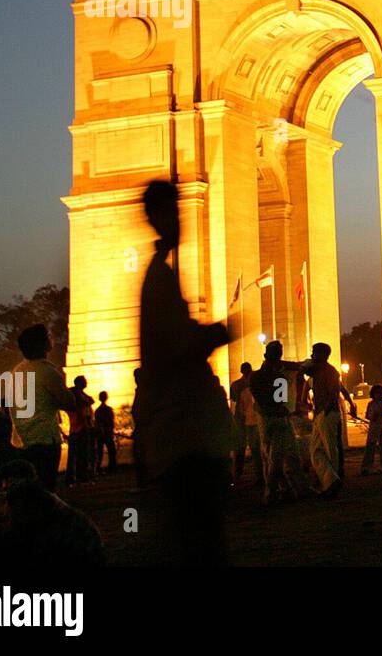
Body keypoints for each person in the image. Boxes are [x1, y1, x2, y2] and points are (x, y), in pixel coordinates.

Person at [136, 180, 232, 564]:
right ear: (156, 217)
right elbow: (179, 345)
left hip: (179, 434)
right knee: (200, 544)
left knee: (190, 542)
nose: (181, 220)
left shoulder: (161, 272)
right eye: (173, 211)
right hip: (185, 435)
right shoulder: (159, 276)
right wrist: (219, 332)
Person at [9, 324, 76, 492]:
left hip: (22, 441)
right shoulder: (47, 371)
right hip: (45, 440)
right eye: (48, 336)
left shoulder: (17, 371)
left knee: (28, 491)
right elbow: (68, 402)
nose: (52, 339)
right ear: (43, 344)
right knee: (45, 491)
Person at [249, 340, 303, 504]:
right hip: (278, 418)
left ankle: (282, 490)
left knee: (270, 457)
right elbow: (281, 401)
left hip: (264, 418)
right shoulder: (280, 377)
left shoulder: (255, 376)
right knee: (277, 458)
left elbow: (258, 399)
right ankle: (274, 491)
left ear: (265, 355)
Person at [303, 343, 356, 496]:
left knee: (329, 449)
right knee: (316, 450)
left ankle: (332, 482)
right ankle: (330, 480)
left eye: (314, 352)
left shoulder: (330, 371)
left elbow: (334, 392)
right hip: (322, 414)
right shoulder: (319, 371)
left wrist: (324, 410)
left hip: (327, 414)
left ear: (321, 354)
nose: (312, 355)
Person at [66, 375, 95, 485]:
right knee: (82, 454)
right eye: (84, 381)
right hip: (81, 427)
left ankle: (72, 478)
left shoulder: (76, 394)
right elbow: (89, 402)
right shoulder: (78, 396)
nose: (86, 382)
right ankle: (81, 477)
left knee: (75, 454)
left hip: (76, 428)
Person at [361, 385, 382, 473]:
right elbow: (367, 415)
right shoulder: (370, 404)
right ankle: (368, 466)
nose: (378, 395)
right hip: (373, 426)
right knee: (371, 445)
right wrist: (372, 416)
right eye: (376, 393)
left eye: (379, 393)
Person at [93, 391, 117, 473]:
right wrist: (110, 431)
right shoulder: (108, 409)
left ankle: (98, 469)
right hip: (106, 433)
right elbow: (111, 422)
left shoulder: (97, 411)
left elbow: (96, 423)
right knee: (111, 451)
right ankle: (112, 468)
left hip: (100, 434)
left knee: (100, 453)